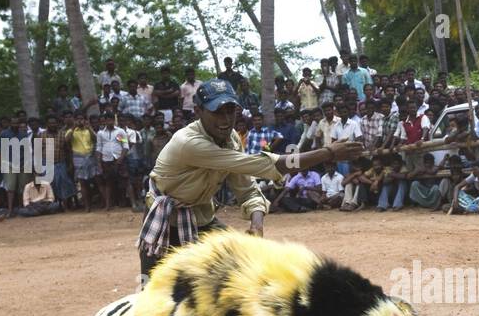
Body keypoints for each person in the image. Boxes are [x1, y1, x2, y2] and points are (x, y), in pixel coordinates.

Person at [138, 78, 362, 276]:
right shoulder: (189, 143)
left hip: (202, 219)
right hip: (166, 223)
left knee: (246, 266)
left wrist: (257, 224)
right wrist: (328, 153)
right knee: (155, 300)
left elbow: (246, 187)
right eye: (217, 112)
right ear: (198, 112)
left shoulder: (232, 138)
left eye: (231, 111)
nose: (226, 119)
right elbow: (262, 165)